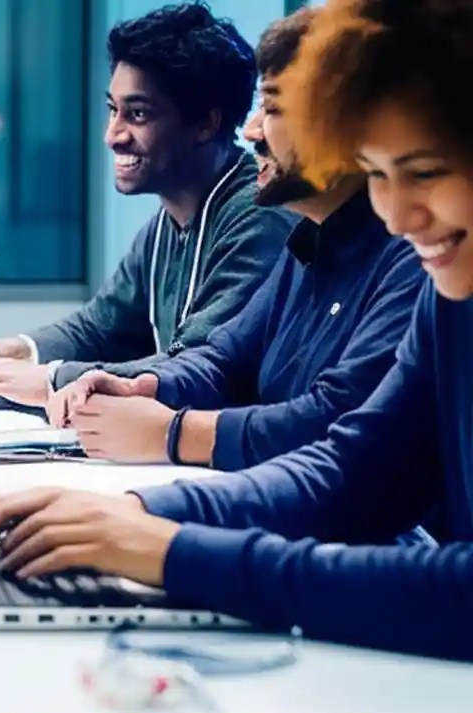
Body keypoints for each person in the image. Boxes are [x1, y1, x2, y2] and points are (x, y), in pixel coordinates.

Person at [0, 0, 473, 661]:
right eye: (379, 173)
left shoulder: (417, 268)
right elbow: (355, 468)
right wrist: (142, 513)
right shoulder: (451, 295)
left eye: (426, 173)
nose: (398, 217)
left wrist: (174, 552)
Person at [33, 8, 425, 471]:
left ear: (346, 129)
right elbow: (222, 358)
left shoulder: (410, 256)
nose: (252, 129)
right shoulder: (307, 243)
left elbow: (333, 421)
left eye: (274, 108)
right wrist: (144, 388)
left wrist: (171, 435)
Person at [0, 2, 294, 407]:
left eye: (137, 114)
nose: (112, 135)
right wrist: (0, 351)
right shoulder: (165, 225)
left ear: (205, 124)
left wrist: (48, 378)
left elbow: (198, 366)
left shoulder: (259, 219)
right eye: (111, 110)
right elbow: (98, 327)